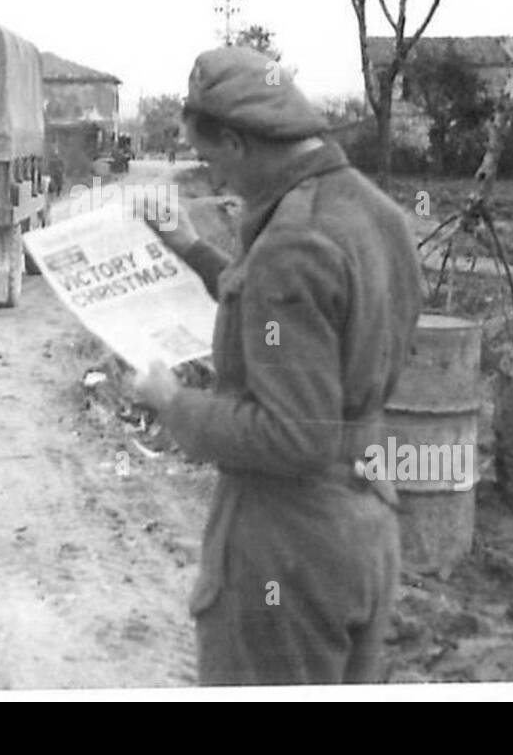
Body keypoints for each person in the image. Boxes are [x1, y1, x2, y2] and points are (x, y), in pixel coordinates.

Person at [131, 46, 422, 686]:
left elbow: (295, 436)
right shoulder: (372, 212)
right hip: (364, 523)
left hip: (287, 554)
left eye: (209, 161)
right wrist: (190, 247)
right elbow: (298, 319)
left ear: (237, 142)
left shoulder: (291, 243)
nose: (213, 182)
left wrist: (175, 403)